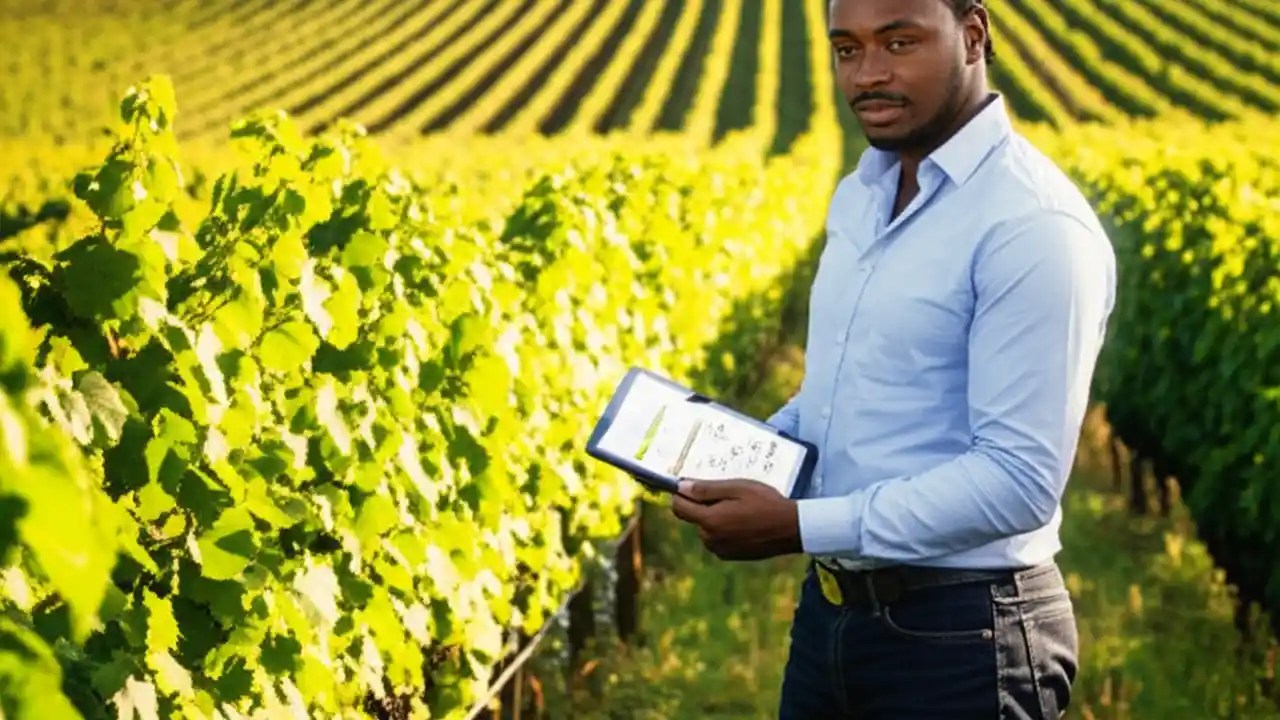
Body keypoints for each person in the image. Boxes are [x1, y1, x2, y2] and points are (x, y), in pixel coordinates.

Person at [667, 0, 1117, 716]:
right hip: (832, 618)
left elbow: (1019, 482)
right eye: (847, 49)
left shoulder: (1031, 224)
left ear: (973, 36)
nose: (867, 73)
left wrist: (797, 526)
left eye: (898, 42)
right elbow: (847, 388)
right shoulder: (862, 194)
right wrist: (747, 451)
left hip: (965, 640)